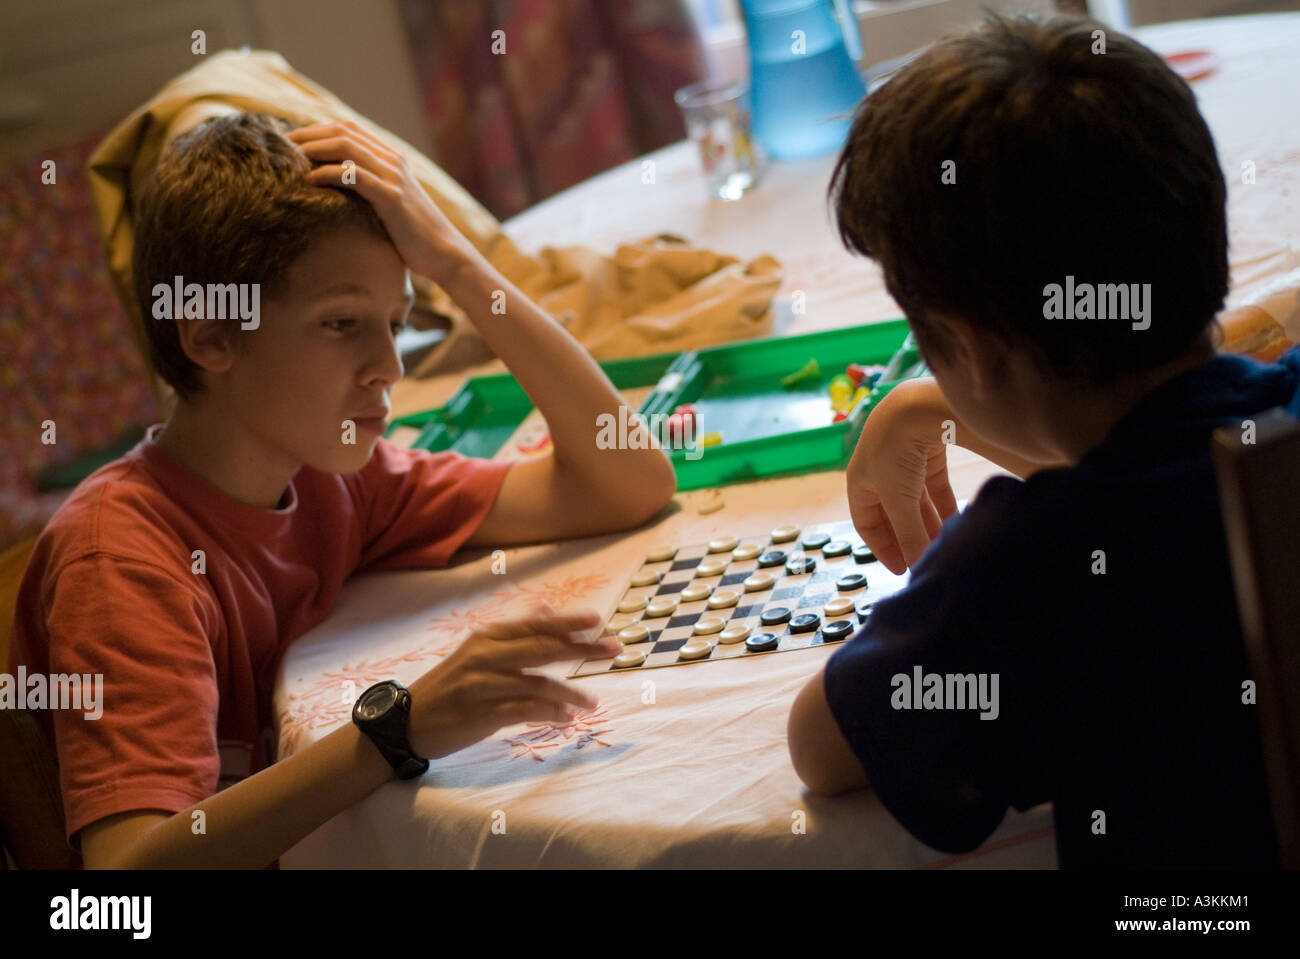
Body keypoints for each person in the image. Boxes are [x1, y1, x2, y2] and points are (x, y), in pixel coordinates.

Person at [8, 112, 676, 868]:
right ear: (211, 335)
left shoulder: (331, 480)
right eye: (341, 322)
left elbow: (629, 482)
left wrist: (454, 260)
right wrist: (393, 732)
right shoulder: (123, 560)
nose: (388, 366)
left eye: (396, 323)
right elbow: (128, 881)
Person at [786, 15, 1291, 868]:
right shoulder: (1276, 426)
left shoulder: (1019, 564)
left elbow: (821, 746)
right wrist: (936, 408)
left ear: (970, 347)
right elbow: (1166, 464)